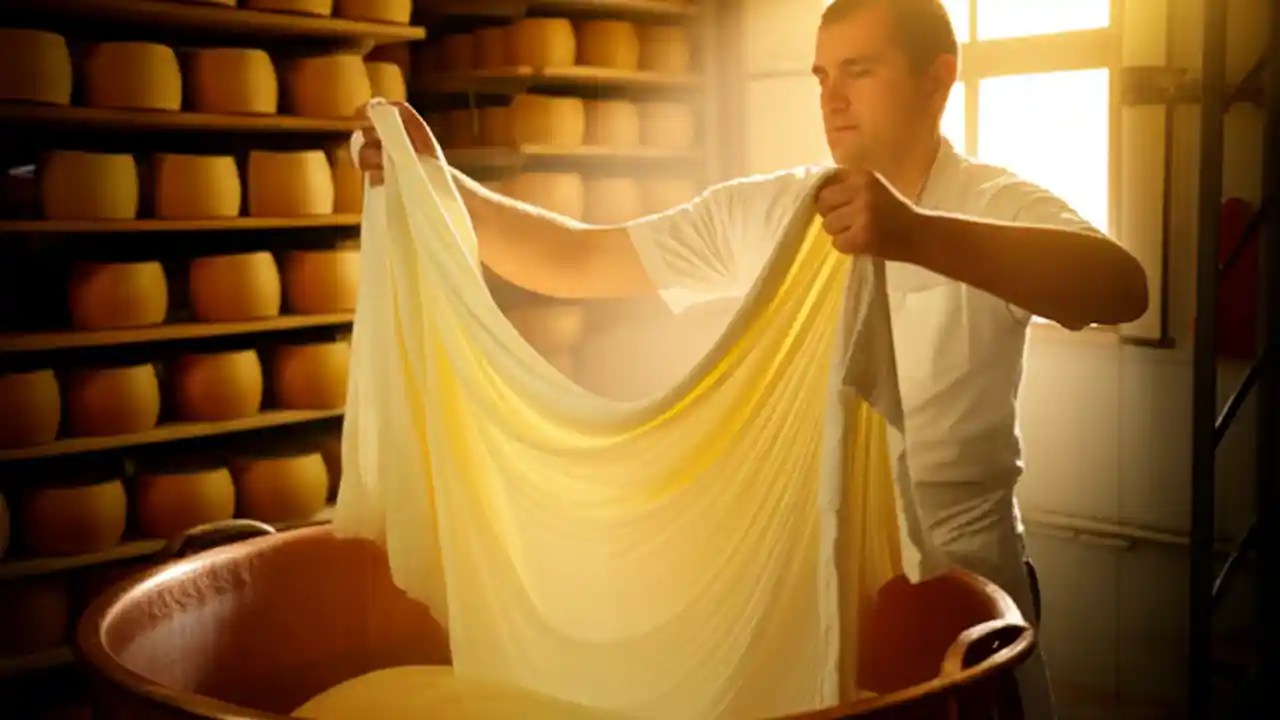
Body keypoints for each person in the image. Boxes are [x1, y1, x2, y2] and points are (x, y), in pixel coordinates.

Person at [352, 0, 1149, 716]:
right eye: (822, 76)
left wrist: (917, 234)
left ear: (939, 80)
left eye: (859, 73)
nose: (832, 98)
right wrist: (439, 182)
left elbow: (1118, 287)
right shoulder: (775, 210)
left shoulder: (994, 204)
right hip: (803, 585)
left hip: (961, 585)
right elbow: (576, 260)